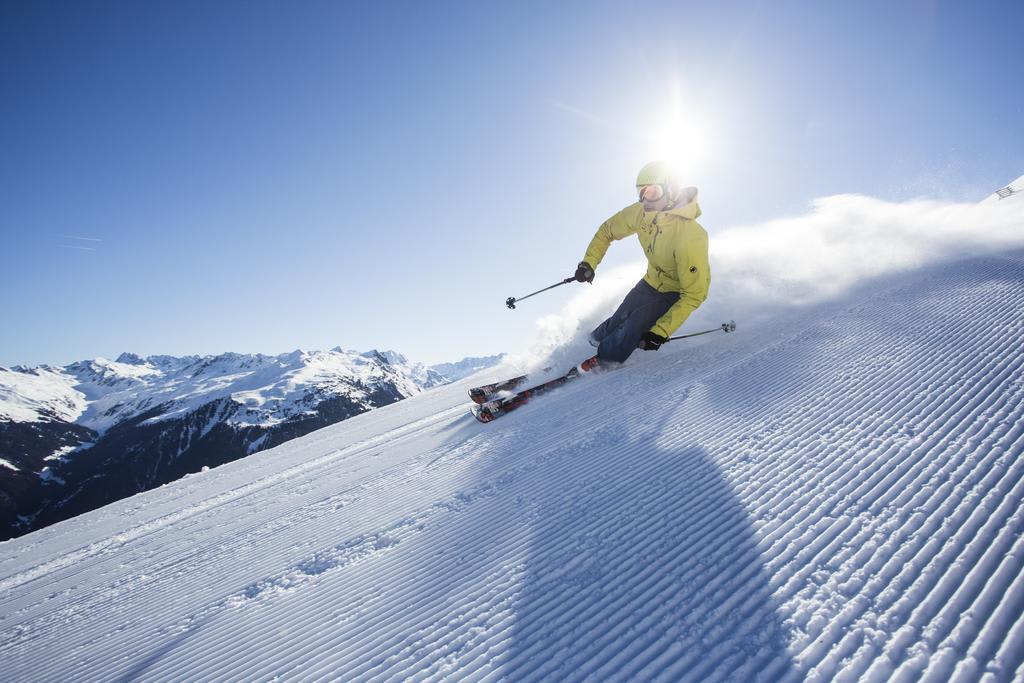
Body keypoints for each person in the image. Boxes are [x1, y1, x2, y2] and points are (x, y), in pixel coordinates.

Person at [574, 161, 711, 366]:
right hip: (651, 281)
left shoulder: (690, 236)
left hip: (675, 290)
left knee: (633, 326)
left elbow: (695, 294)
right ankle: (589, 345)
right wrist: (588, 263)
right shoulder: (641, 214)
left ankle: (604, 361)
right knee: (620, 317)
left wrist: (660, 331)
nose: (645, 199)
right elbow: (607, 231)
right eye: (641, 192)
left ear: (671, 190)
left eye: (652, 192)